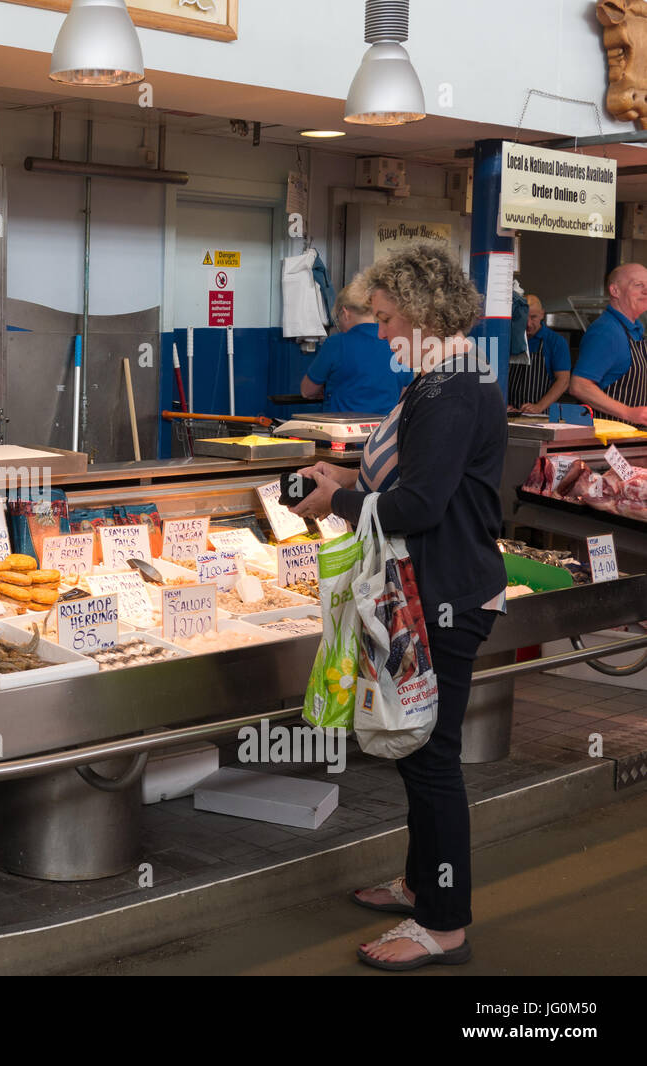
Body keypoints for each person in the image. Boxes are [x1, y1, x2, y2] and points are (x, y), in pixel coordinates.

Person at [289, 243, 507, 971]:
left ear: (421, 314)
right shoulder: (440, 378)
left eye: (385, 319)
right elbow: (410, 472)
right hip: (426, 589)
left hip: (443, 595)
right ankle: (421, 880)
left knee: (430, 757)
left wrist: (337, 499)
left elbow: (418, 504)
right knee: (416, 750)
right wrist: (347, 471)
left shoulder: (453, 389)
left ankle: (444, 922)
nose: (379, 333)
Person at [299, 281, 412, 415]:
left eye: (337, 318)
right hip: (384, 431)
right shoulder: (400, 345)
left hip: (341, 431)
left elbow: (307, 391)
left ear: (345, 313)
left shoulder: (337, 343)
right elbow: (405, 395)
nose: (339, 324)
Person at [568, 262, 647, 424]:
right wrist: (628, 412)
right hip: (606, 440)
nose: (646, 291)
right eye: (638, 285)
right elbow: (580, 385)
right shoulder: (607, 331)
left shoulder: (636, 329)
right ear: (615, 291)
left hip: (631, 439)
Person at [508, 294, 571, 413]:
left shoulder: (555, 342)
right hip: (511, 413)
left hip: (542, 417)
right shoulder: (510, 339)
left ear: (542, 314)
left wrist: (539, 407)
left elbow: (563, 381)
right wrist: (503, 404)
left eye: (533, 317)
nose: (528, 324)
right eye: (524, 317)